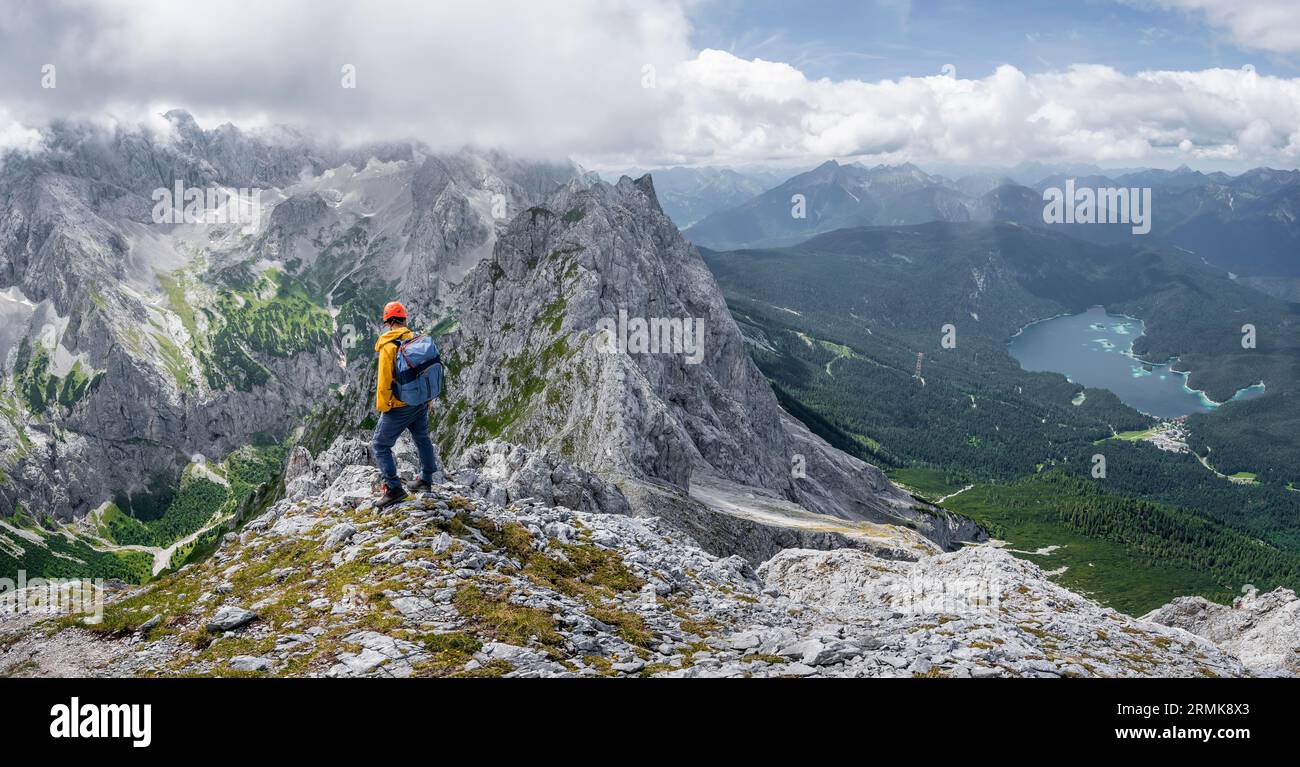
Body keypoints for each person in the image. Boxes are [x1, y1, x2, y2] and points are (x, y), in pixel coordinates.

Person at [371, 300, 442, 508]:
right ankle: (426, 479)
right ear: (403, 320)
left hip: (399, 406)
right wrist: (427, 399)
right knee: (421, 437)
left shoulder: (388, 346)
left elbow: (384, 381)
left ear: (388, 322)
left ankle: (394, 489)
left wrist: (385, 407)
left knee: (380, 444)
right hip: (420, 401)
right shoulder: (414, 338)